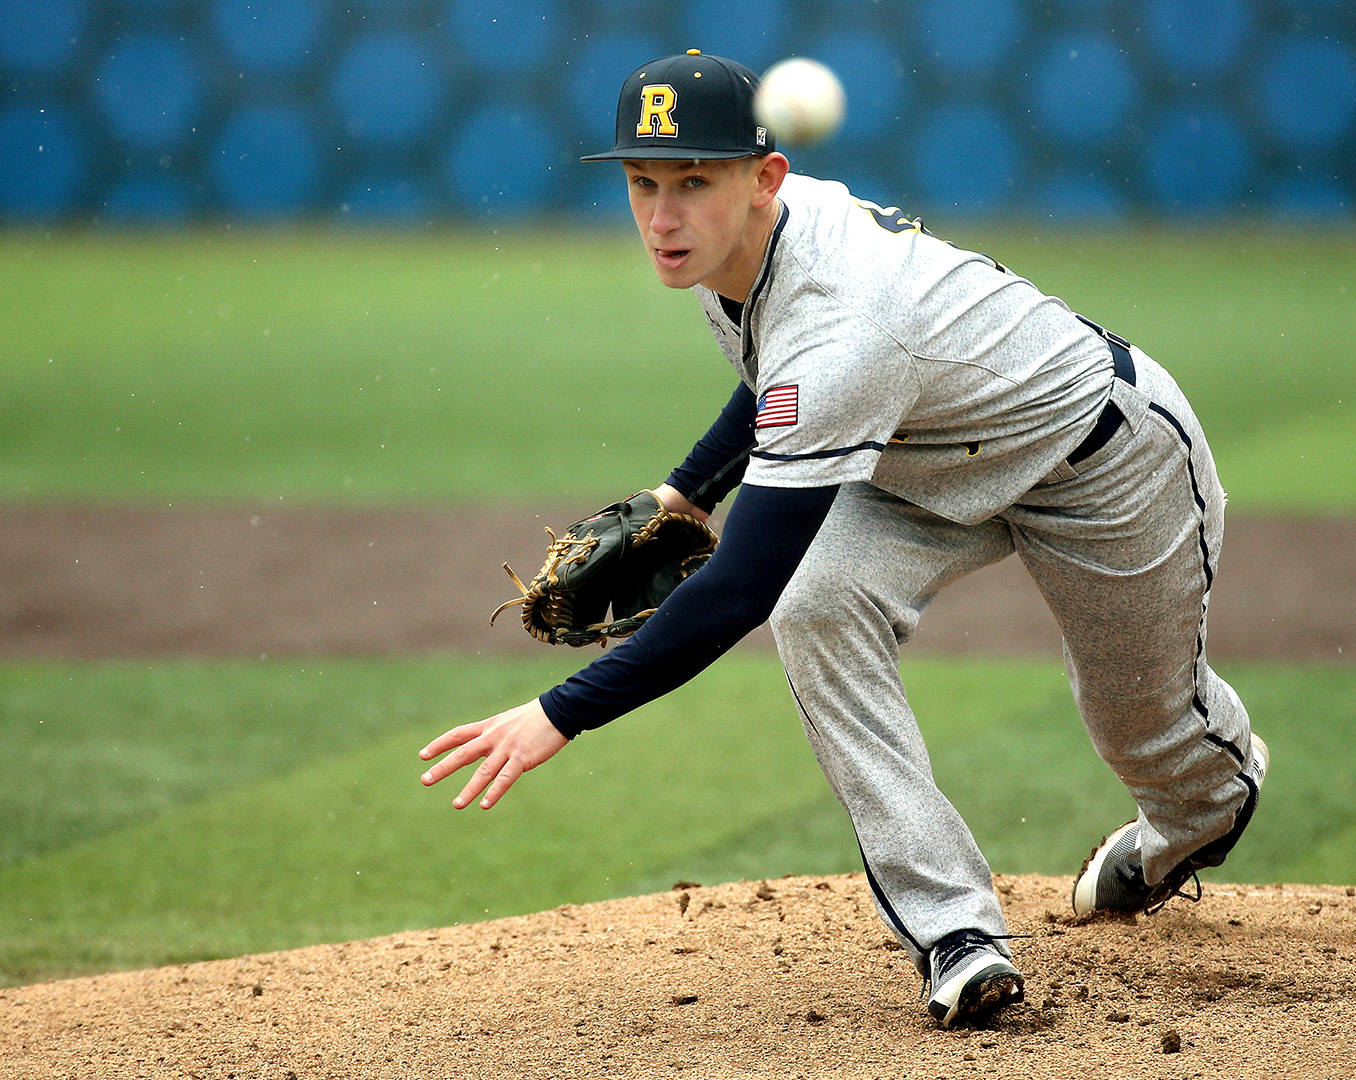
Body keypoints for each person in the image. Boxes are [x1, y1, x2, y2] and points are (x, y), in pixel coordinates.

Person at [418, 50, 1267, 1027]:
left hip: (1103, 461)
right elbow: (771, 383)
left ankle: (1198, 812)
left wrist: (560, 712)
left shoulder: (846, 319)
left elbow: (738, 583)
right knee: (817, 604)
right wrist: (687, 493)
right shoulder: (725, 250)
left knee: (1140, 724)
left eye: (694, 182)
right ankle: (957, 933)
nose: (662, 215)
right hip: (913, 458)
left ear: (763, 180)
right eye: (643, 182)